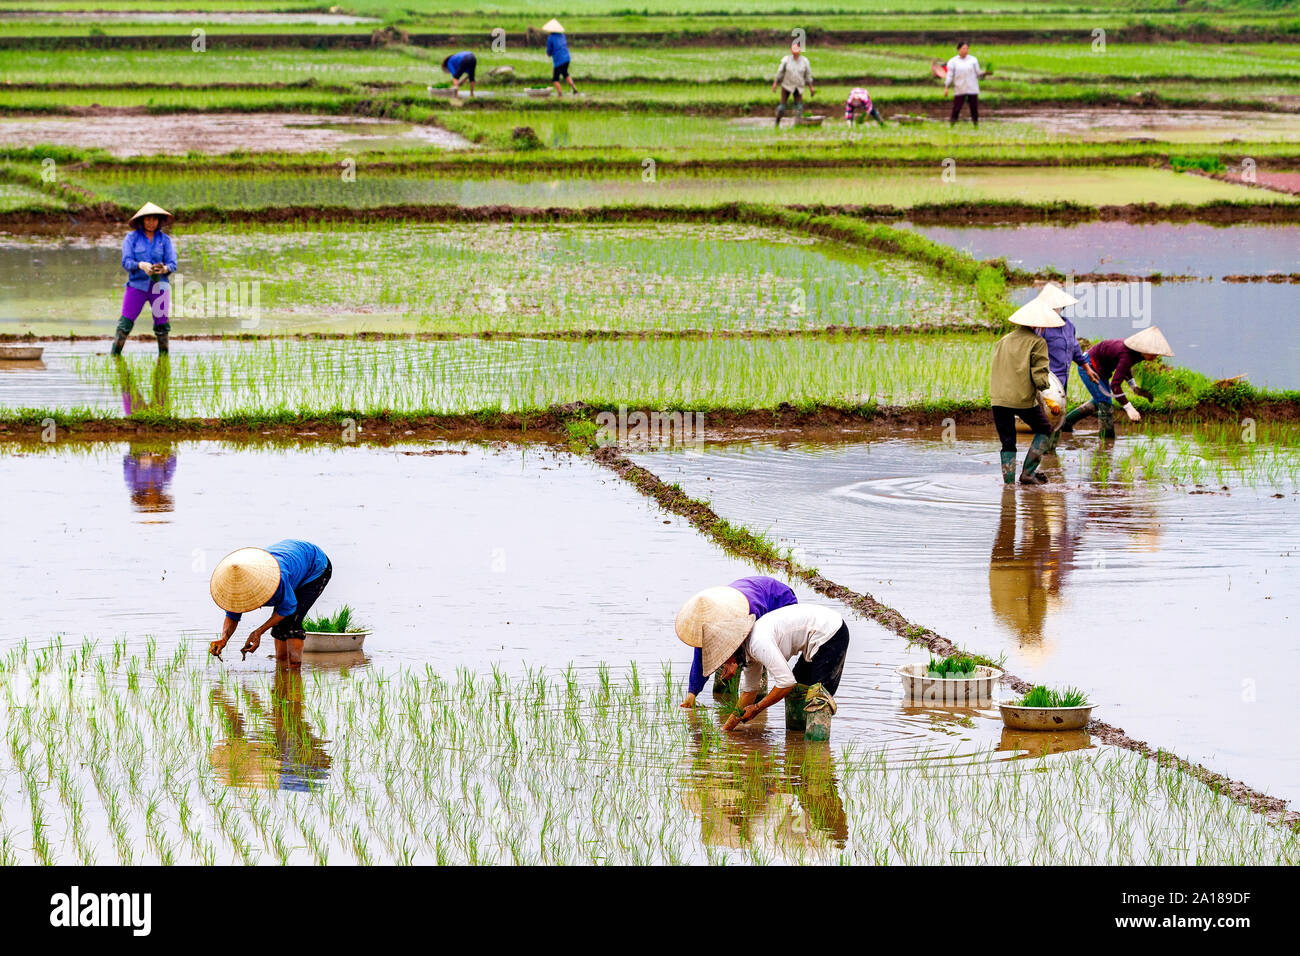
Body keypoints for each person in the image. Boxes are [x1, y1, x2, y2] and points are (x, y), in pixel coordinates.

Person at [697, 604, 849, 733]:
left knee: (819, 700)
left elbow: (786, 683)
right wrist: (727, 729)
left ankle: (817, 757)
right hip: (813, 637)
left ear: (731, 649)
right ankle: (796, 747)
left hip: (830, 632)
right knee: (798, 692)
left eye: (724, 658)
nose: (725, 663)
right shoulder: (747, 652)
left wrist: (757, 708)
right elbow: (750, 691)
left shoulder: (758, 642)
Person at [676, 576, 797, 708]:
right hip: (749, 593)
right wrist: (692, 693)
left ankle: (757, 708)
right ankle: (725, 699)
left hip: (778, 601)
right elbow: (701, 657)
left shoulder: (749, 611)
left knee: (756, 658)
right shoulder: (705, 625)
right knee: (719, 660)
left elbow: (756, 643)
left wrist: (734, 660)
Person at [209, 539, 333, 667]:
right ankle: (281, 668)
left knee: (291, 623)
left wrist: (259, 632)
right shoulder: (236, 588)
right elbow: (232, 615)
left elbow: (288, 607)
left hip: (315, 566)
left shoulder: (277, 579)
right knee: (279, 626)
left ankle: (295, 672)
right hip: (292, 562)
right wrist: (224, 639)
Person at [990, 298, 1062, 485]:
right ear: (1034, 325)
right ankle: (1028, 473)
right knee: (1045, 429)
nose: (1044, 329)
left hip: (998, 399)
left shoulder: (1003, 341)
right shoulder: (1037, 343)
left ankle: (1008, 484)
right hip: (1022, 399)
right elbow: (1040, 378)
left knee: (1008, 442)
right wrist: (1049, 397)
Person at [1060, 327, 1172, 439]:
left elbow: (1124, 367)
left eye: (1157, 354)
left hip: (1101, 370)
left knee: (1098, 401)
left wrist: (1134, 386)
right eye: (1153, 353)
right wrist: (1129, 408)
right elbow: (1115, 385)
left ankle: (1066, 423)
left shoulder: (1137, 354)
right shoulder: (1127, 354)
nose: (1155, 357)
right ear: (1143, 349)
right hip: (1088, 366)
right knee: (1105, 404)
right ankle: (1106, 442)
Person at [1032, 283, 1101, 448]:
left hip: (1063, 380)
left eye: (1058, 308)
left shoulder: (1068, 326)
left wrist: (1088, 370)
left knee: (1059, 414)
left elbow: (1076, 350)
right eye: (1052, 308)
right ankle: (1041, 451)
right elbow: (1032, 353)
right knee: (1047, 415)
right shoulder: (1041, 328)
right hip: (1047, 380)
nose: (1056, 310)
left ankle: (1051, 451)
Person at [114, 202, 177, 356]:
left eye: (154, 219)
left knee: (162, 326)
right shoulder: (132, 238)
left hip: (160, 286)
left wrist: (165, 268)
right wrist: (141, 265)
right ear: (141, 220)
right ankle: (114, 356)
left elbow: (172, 263)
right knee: (125, 324)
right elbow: (126, 262)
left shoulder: (165, 240)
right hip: (137, 286)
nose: (151, 223)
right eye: (147, 219)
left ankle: (163, 361)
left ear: (159, 221)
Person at [772, 40, 814, 128]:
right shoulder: (786, 60)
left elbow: (808, 76)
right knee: (782, 107)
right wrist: (775, 83)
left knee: (799, 107)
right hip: (786, 85)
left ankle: (797, 125)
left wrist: (811, 88)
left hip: (798, 87)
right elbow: (780, 73)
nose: (795, 51)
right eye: (794, 49)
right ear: (791, 50)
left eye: (797, 49)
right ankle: (777, 122)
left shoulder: (805, 61)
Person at [944, 41, 981, 127]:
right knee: (957, 108)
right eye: (964, 48)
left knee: (974, 108)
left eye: (967, 49)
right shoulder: (953, 61)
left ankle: (975, 124)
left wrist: (984, 74)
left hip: (972, 88)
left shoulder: (973, 60)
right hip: (960, 88)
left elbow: (978, 73)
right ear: (959, 49)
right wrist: (946, 87)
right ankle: (952, 124)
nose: (965, 50)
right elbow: (950, 75)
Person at [543, 19, 578, 96]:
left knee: (555, 78)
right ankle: (575, 90)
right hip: (567, 58)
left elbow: (549, 50)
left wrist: (548, 54)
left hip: (559, 60)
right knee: (565, 74)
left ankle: (560, 95)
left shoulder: (550, 38)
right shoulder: (562, 35)